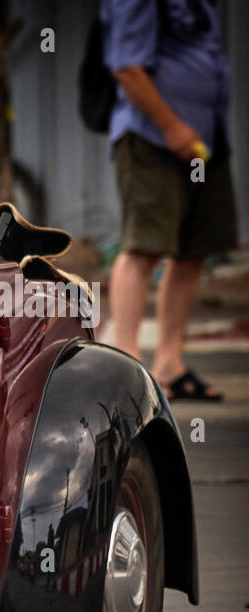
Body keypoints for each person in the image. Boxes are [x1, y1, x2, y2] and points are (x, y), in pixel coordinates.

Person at [102, 0, 236, 401]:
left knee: (194, 249)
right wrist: (172, 127)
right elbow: (127, 67)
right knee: (143, 246)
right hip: (154, 136)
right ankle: (127, 367)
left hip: (205, 139)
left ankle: (169, 365)